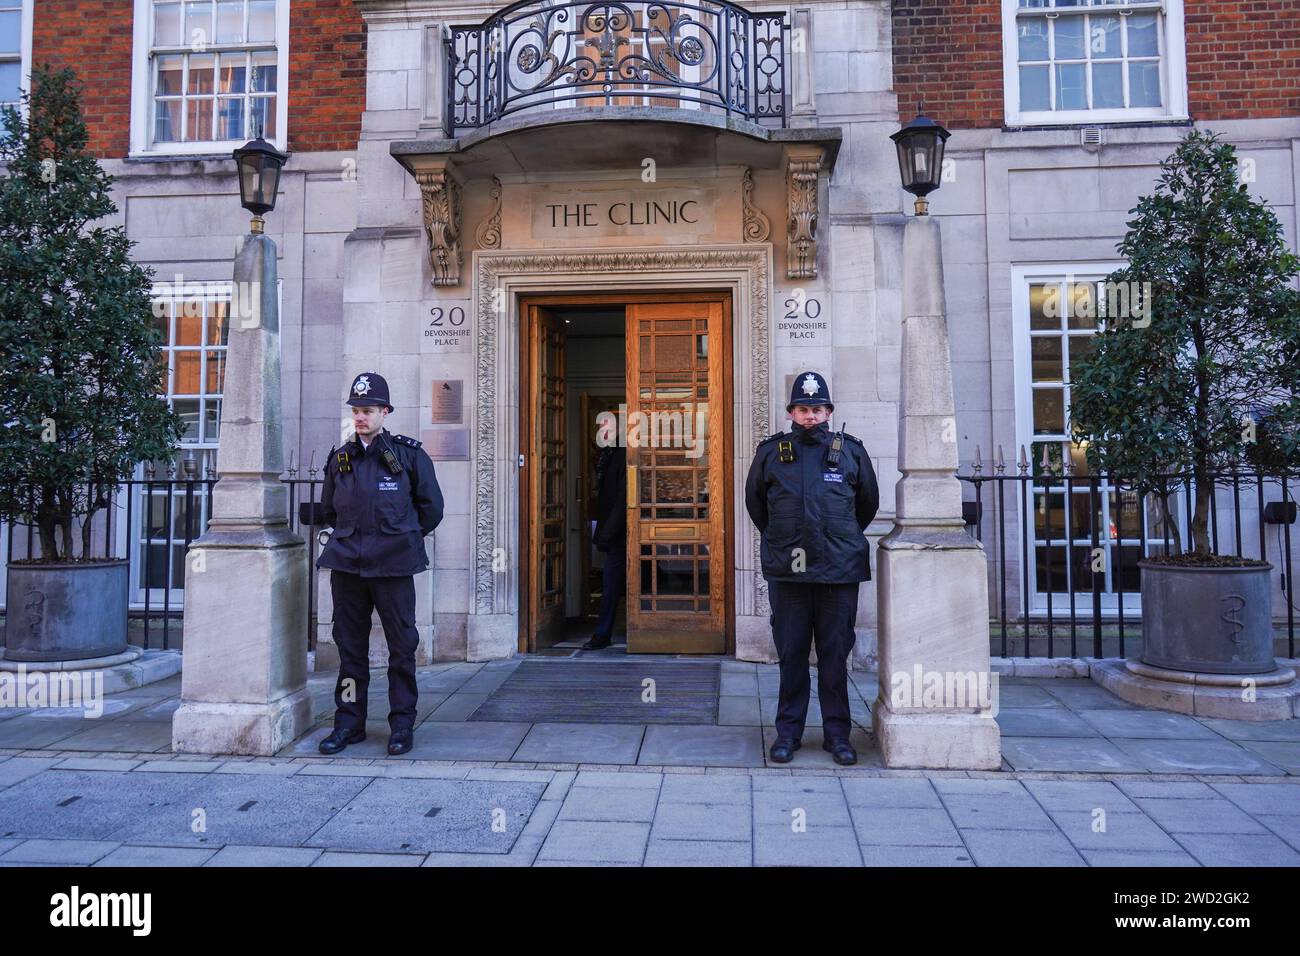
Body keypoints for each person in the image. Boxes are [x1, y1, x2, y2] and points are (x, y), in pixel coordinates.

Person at [743, 371, 879, 765]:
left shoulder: (851, 452)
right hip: (789, 573)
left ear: (829, 411)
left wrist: (838, 541)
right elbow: (757, 506)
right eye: (803, 409)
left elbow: (866, 506)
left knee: (835, 657)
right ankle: (788, 734)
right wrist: (783, 541)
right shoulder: (771, 453)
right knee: (792, 655)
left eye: (817, 409)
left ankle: (838, 736)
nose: (810, 416)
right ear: (791, 412)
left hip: (838, 573)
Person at [315, 371, 444, 756]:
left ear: (385, 412)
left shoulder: (408, 456)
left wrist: (401, 538)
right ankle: (349, 724)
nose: (360, 417)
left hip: (394, 567)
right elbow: (329, 511)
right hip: (349, 568)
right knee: (350, 649)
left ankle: (402, 725)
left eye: (368, 410)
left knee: (401, 648)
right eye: (356, 410)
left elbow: (432, 509)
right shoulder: (340, 459)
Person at [585, 443, 627, 650]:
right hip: (615, 531)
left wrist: (607, 533)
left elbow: (623, 499)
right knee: (611, 585)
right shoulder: (606, 456)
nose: (601, 429)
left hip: (620, 533)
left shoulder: (621, 455)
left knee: (610, 585)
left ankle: (603, 633)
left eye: (605, 425)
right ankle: (605, 633)